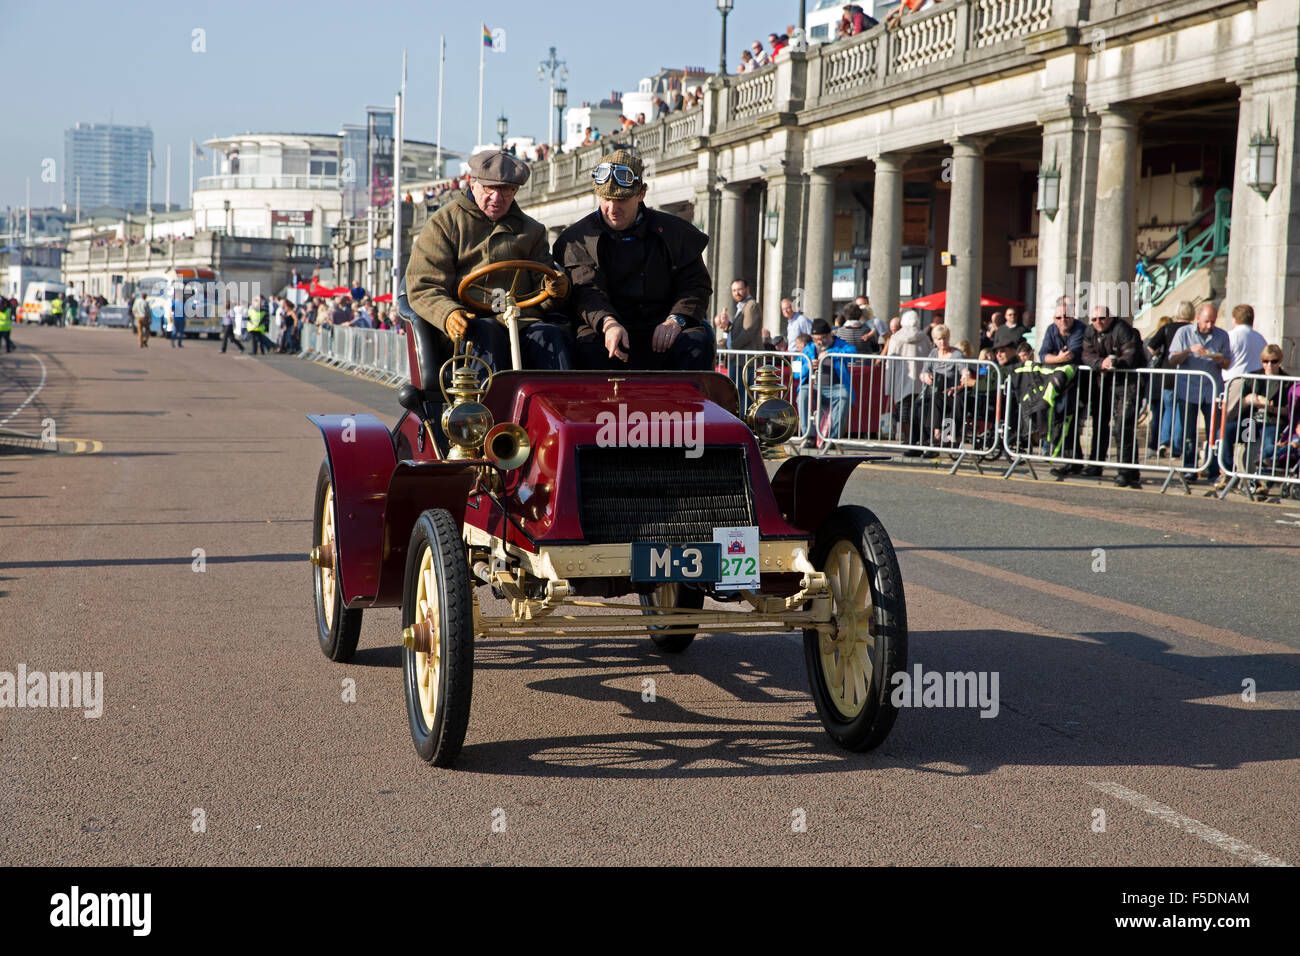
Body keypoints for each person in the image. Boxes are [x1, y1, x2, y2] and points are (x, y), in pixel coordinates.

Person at [407, 149, 573, 373]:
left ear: (515, 191)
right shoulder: (443, 224)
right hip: (468, 326)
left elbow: (541, 294)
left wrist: (554, 290)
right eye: (489, 188)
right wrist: (448, 314)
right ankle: (482, 408)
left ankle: (556, 405)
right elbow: (423, 286)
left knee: (550, 335)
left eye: (506, 190)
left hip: (522, 323)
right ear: (472, 183)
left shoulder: (532, 231)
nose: (497, 198)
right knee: (487, 332)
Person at [554, 149, 713, 371]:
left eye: (622, 199)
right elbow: (586, 291)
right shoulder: (577, 239)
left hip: (662, 329)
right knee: (590, 350)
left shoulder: (674, 232)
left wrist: (676, 320)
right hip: (602, 330)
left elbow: (695, 285)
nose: (612, 208)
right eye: (606, 199)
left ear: (641, 194)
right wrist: (607, 323)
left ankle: (687, 405)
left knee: (697, 343)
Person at [1081, 305, 1147, 487]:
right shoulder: (1090, 331)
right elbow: (1086, 354)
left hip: (1129, 383)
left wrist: (1114, 361)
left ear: (1110, 317)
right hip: (1106, 384)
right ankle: (1098, 464)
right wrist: (1100, 362)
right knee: (1100, 423)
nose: (1097, 322)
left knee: (1122, 426)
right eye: (1094, 319)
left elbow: (1131, 354)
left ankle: (1125, 471)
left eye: (1101, 318)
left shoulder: (1123, 329)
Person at [1168, 302, 1231, 487]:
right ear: (1198, 318)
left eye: (1212, 321)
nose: (1209, 325)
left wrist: (1220, 359)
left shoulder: (1222, 335)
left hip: (1212, 391)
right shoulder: (1184, 333)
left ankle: (1213, 470)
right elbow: (1172, 359)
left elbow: (1228, 363)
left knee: (1214, 432)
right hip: (1188, 389)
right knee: (1189, 432)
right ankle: (1190, 469)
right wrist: (1188, 351)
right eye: (1206, 321)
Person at [793, 318, 856, 443]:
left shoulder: (840, 344)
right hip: (814, 387)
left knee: (844, 396)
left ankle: (832, 438)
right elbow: (796, 373)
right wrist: (808, 366)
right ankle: (809, 436)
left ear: (830, 335)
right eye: (816, 339)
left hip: (837, 387)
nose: (820, 342)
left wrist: (830, 353)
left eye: (823, 338)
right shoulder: (808, 348)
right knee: (802, 395)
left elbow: (853, 353)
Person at [1145, 302, 1192, 457]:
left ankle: (1163, 441)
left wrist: (1159, 353)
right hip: (1187, 374)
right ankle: (1177, 447)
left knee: (1168, 409)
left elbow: (1151, 347)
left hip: (1168, 373)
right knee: (1180, 412)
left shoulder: (1167, 328)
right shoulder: (1193, 329)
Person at [884, 309, 931, 450]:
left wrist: (888, 386)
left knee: (903, 411)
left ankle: (909, 439)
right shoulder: (924, 337)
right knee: (918, 412)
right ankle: (917, 439)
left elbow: (890, 362)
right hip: (920, 380)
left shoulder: (896, 337)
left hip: (901, 378)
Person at [727, 279, 761, 350]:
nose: (737, 293)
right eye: (734, 290)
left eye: (739, 289)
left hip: (747, 355)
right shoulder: (741, 306)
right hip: (739, 355)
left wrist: (733, 347)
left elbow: (748, 332)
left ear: (747, 289)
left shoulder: (751, 305)